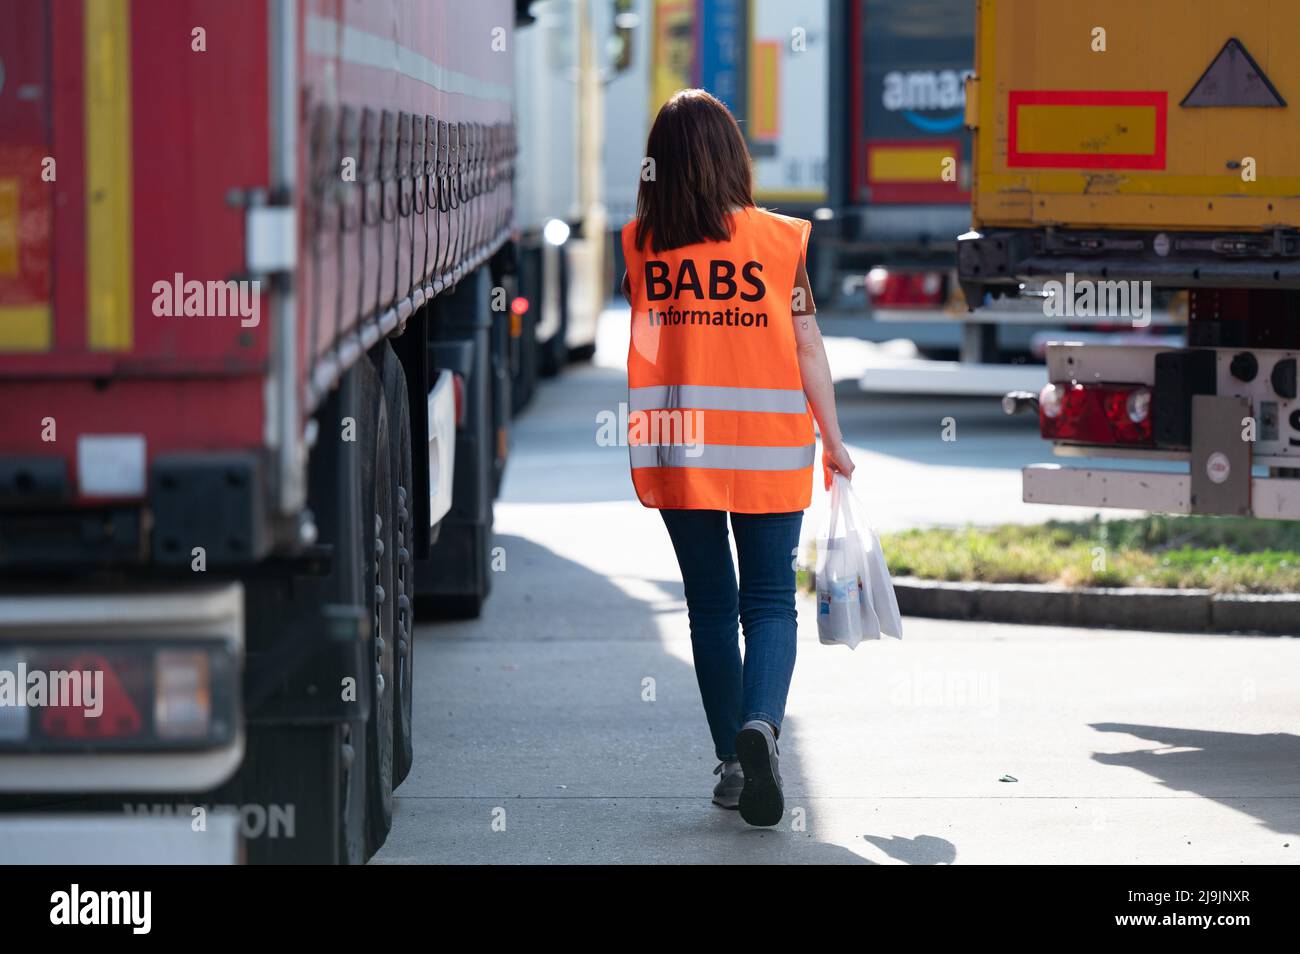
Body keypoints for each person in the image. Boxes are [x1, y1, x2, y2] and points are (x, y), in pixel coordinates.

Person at [620, 89, 854, 827]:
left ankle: (731, 762)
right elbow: (808, 346)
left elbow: (652, 348)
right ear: (731, 158)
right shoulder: (780, 242)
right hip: (768, 449)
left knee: (711, 608)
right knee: (768, 602)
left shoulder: (643, 245)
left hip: (681, 450)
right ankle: (761, 727)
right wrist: (836, 441)